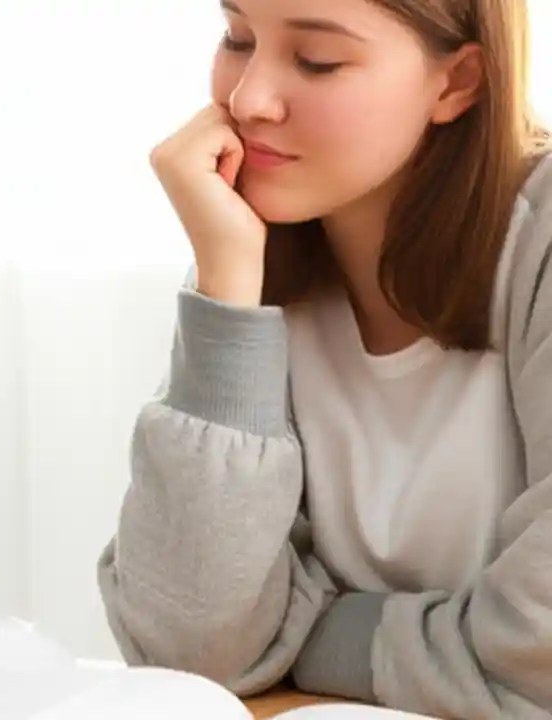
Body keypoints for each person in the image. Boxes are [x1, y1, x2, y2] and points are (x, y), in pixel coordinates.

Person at [97, 0, 552, 716]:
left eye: (317, 60)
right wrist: (225, 301)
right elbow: (187, 651)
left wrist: (296, 637)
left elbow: (540, 660)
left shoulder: (542, 244)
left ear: (457, 83)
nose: (249, 100)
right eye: (237, 37)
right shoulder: (246, 257)